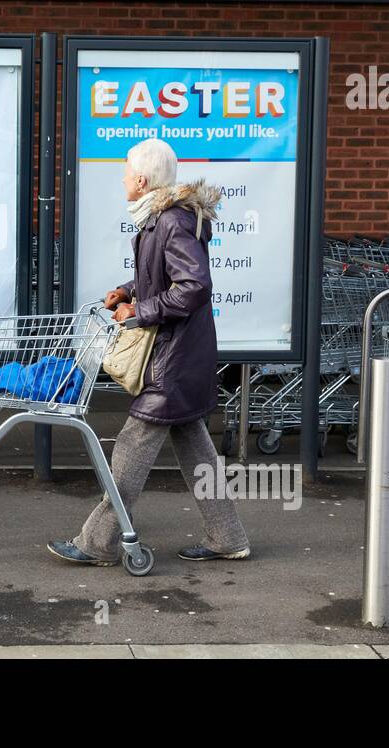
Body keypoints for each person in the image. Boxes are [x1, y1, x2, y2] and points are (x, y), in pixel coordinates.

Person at [49, 137, 250, 566]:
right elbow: (163, 279)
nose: (122, 178)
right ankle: (228, 537)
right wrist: (127, 290)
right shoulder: (158, 221)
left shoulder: (171, 223)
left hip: (172, 358)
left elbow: (194, 288)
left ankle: (97, 543)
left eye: (126, 171)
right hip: (178, 354)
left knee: (130, 449)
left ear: (141, 180)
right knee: (196, 449)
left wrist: (139, 310)